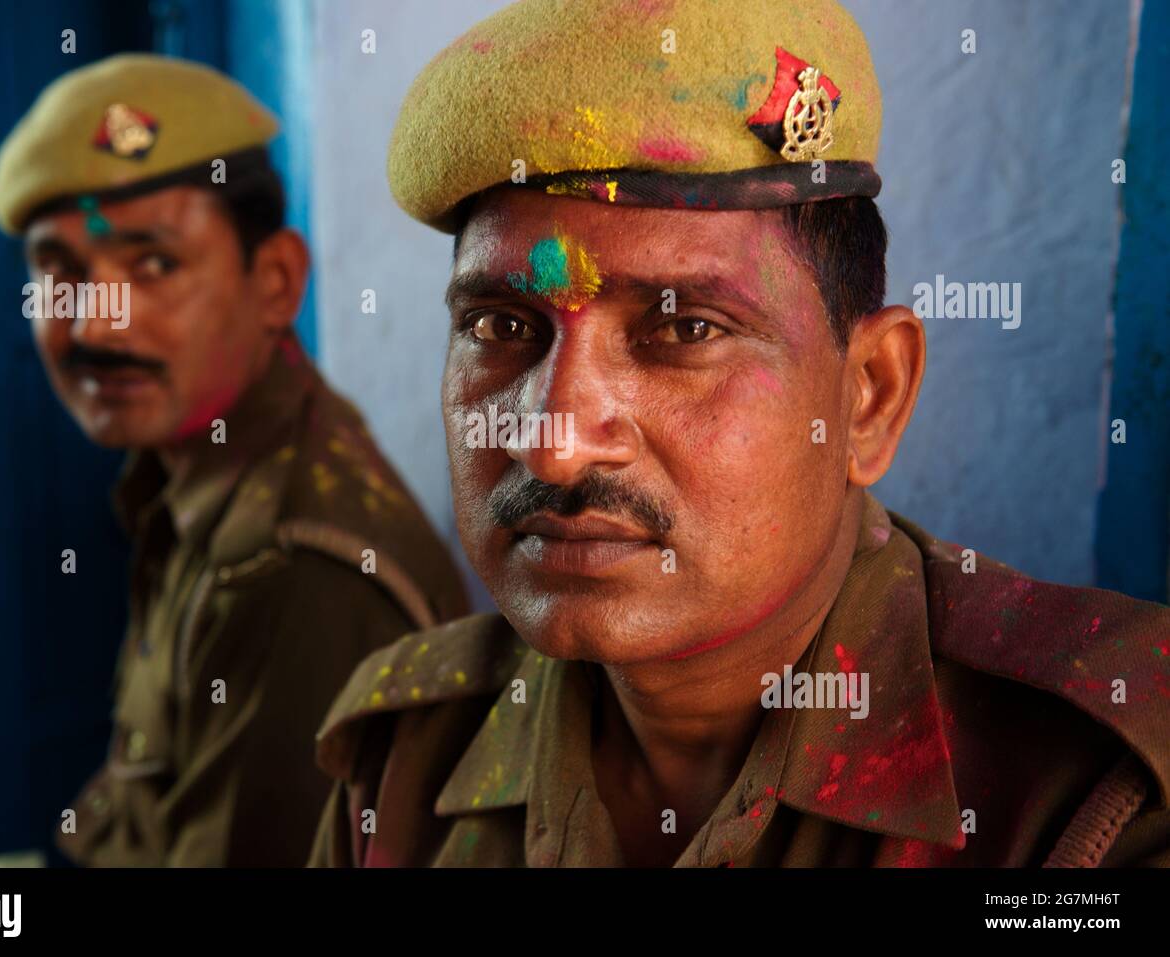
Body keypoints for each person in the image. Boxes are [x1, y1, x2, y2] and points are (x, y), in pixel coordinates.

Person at [309, 0, 1170, 867]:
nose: (555, 444)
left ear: (868, 396)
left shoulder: (1091, 800)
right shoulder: (405, 761)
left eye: (684, 331)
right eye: (501, 326)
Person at [0, 53, 467, 865]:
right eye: (60, 274)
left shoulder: (291, 569)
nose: (96, 327)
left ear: (276, 281)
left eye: (154, 265)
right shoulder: (184, 482)